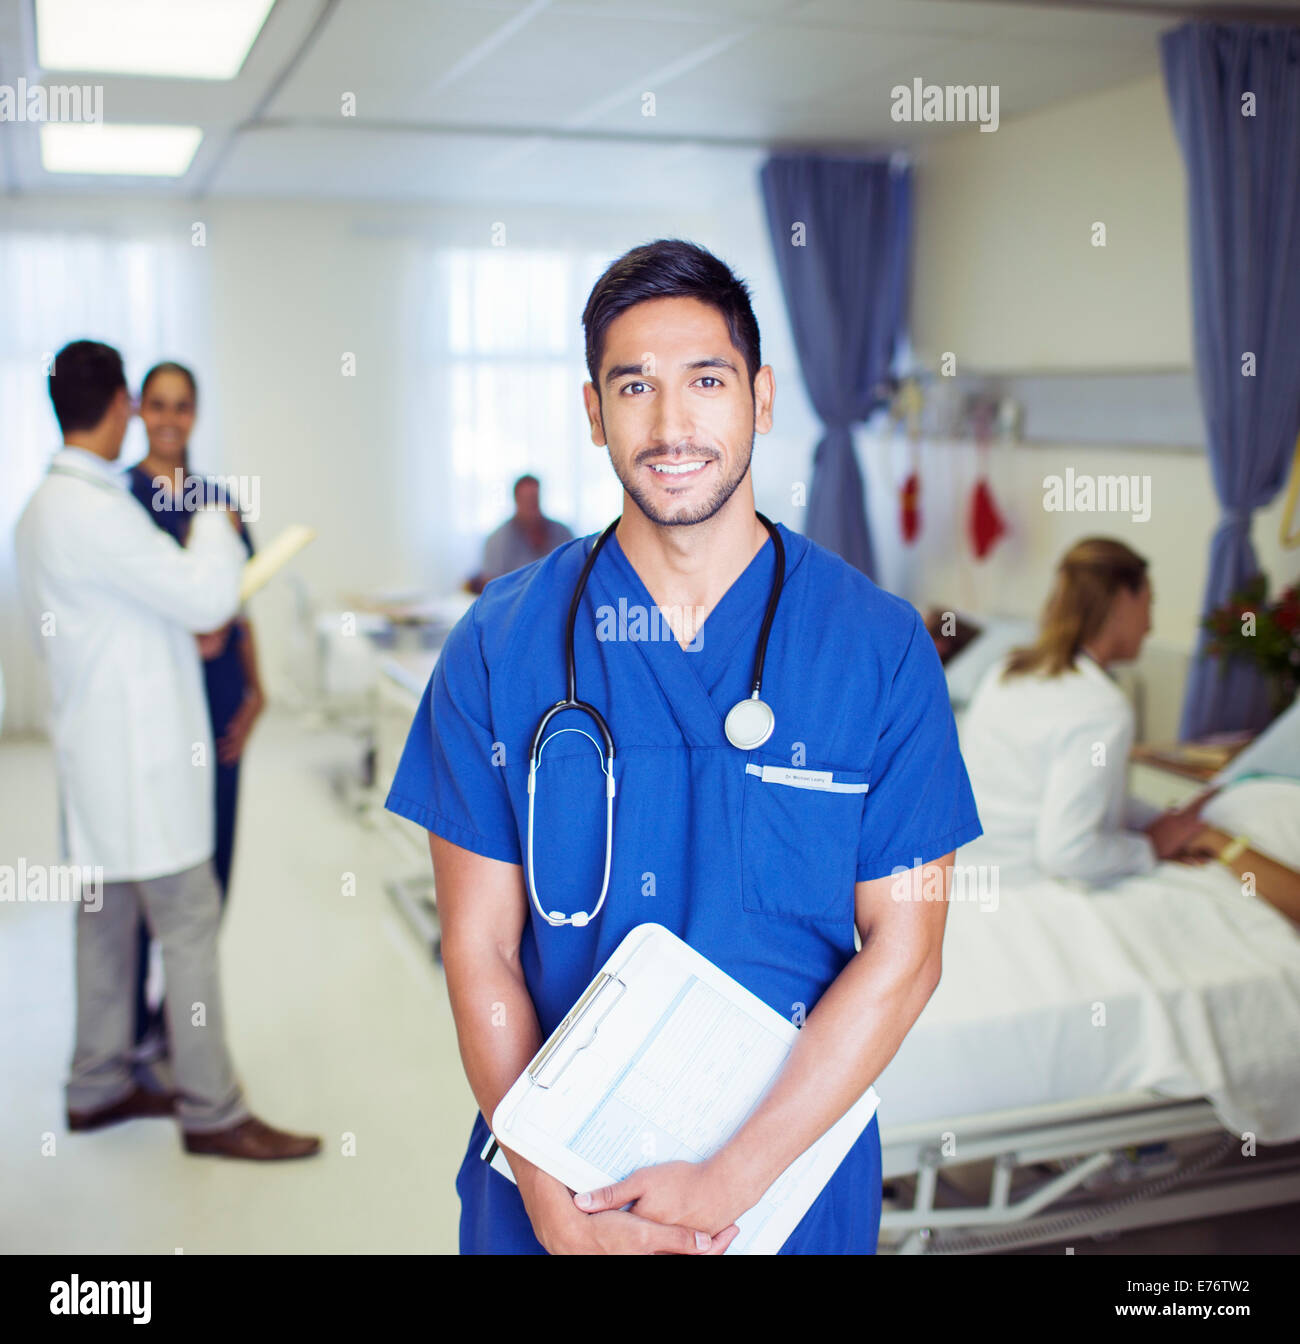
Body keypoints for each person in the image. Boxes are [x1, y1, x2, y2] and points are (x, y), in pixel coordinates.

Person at [386, 239, 983, 1254]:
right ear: (592, 413)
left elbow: (907, 953)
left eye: (706, 382)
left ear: (762, 397)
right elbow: (478, 947)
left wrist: (730, 1182)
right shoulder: (501, 642)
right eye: (634, 388)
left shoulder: (878, 649)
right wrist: (547, 1194)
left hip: (785, 1192)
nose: (671, 426)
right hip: (551, 1188)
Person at [14, 340, 319, 1161]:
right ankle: (213, 1109)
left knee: (107, 921)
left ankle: (98, 1082)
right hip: (143, 762)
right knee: (188, 920)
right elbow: (208, 592)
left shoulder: (42, 508)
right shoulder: (103, 507)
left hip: (95, 756)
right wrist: (217, 524)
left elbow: (109, 620)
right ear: (121, 405)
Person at [127, 361, 264, 1065]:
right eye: (158, 405)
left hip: (216, 707)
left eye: (182, 406)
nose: (170, 418)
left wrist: (256, 690)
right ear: (137, 412)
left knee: (214, 869)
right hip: (151, 714)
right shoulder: (120, 501)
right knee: (154, 872)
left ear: (196, 412)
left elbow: (239, 600)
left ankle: (177, 1017)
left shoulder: (217, 499)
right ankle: (132, 1028)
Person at [960, 537, 1207, 885]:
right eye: (1149, 604)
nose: (1150, 626)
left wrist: (1156, 820)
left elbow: (1075, 790)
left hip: (970, 871)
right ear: (1123, 599)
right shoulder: (1101, 708)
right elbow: (1067, 852)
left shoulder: (1005, 671)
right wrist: (1149, 847)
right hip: (1029, 888)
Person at [466, 475, 573, 593]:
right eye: (527, 500)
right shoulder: (497, 540)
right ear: (516, 500)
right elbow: (492, 588)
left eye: (535, 499)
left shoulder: (563, 532)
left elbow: (575, 572)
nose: (532, 505)